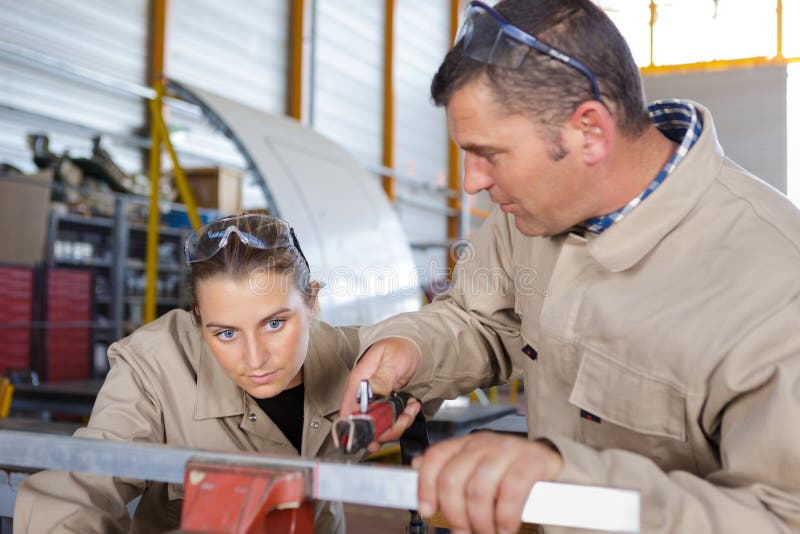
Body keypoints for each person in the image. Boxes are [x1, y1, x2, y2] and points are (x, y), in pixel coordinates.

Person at [340, 1, 800, 533]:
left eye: (490, 153)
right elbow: (481, 320)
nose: (471, 182)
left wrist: (566, 480)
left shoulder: (775, 284)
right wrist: (411, 350)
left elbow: (782, 517)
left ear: (590, 132)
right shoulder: (529, 214)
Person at [14, 213, 381, 533]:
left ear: (312, 301)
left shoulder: (353, 357)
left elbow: (415, 338)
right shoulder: (155, 363)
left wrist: (405, 347)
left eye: (274, 324)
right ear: (199, 317)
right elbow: (84, 483)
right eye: (226, 333)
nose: (255, 359)